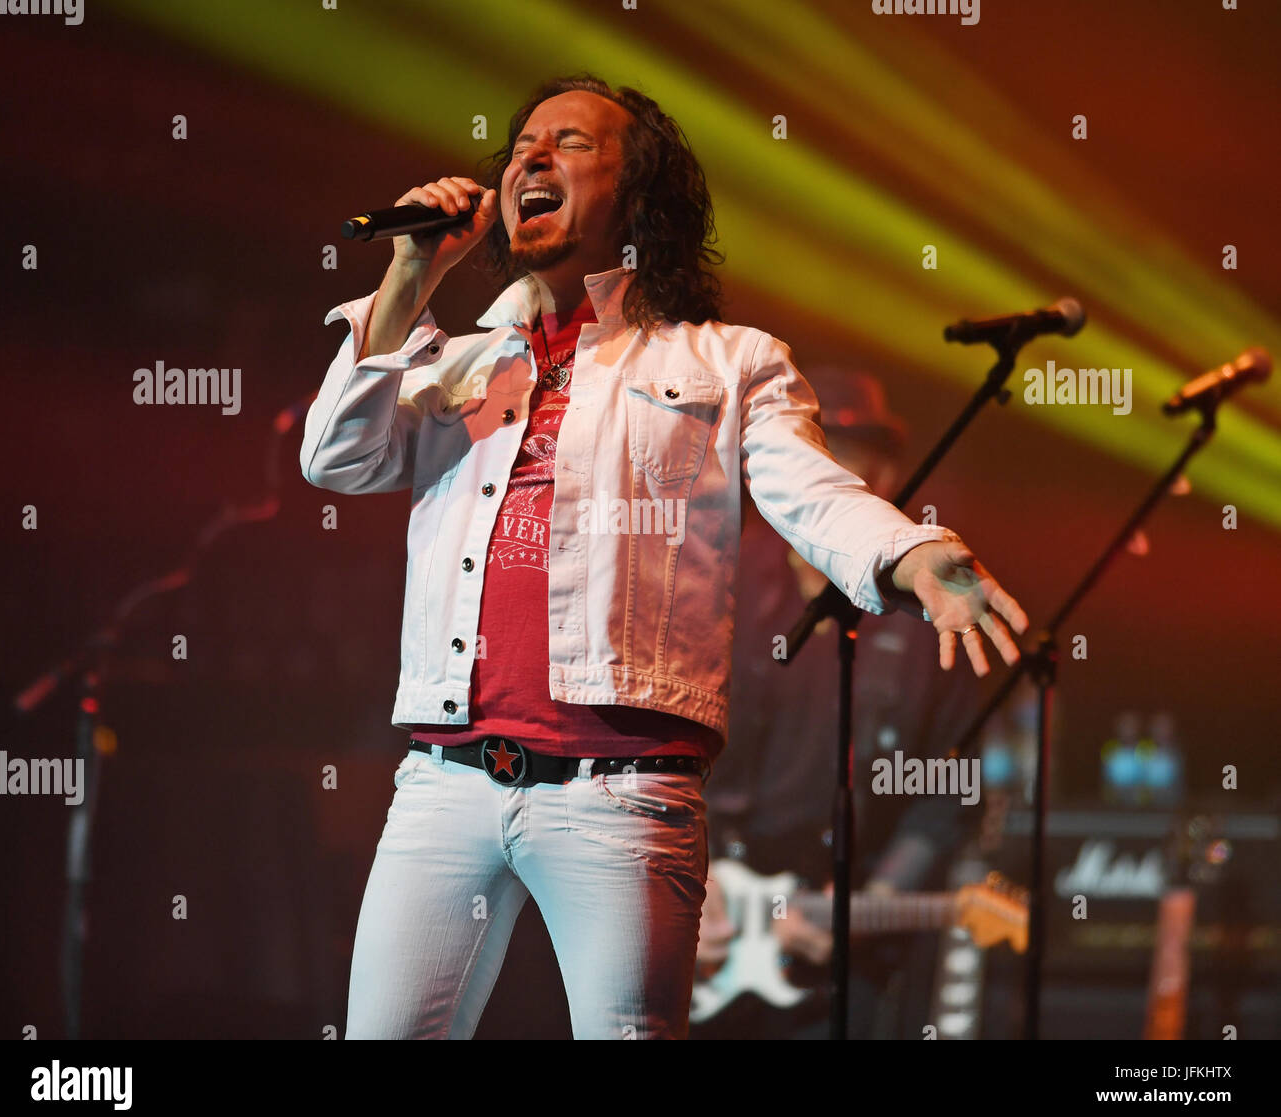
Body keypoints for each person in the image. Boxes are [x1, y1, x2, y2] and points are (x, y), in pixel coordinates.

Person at [299, 74, 1028, 1040]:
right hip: (443, 783)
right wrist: (410, 275)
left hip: (619, 790)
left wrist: (911, 551)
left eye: (570, 144)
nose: (531, 158)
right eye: (521, 145)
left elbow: (813, 493)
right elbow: (336, 456)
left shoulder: (725, 363)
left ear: (638, 199)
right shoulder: (461, 362)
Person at [693, 370, 985, 1039]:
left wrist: (869, 904)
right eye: (829, 464)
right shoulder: (715, 583)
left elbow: (947, 789)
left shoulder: (924, 617)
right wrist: (690, 883)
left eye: (863, 465)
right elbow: (660, 749)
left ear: (887, 480)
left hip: (838, 962)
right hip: (700, 915)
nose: (850, 484)